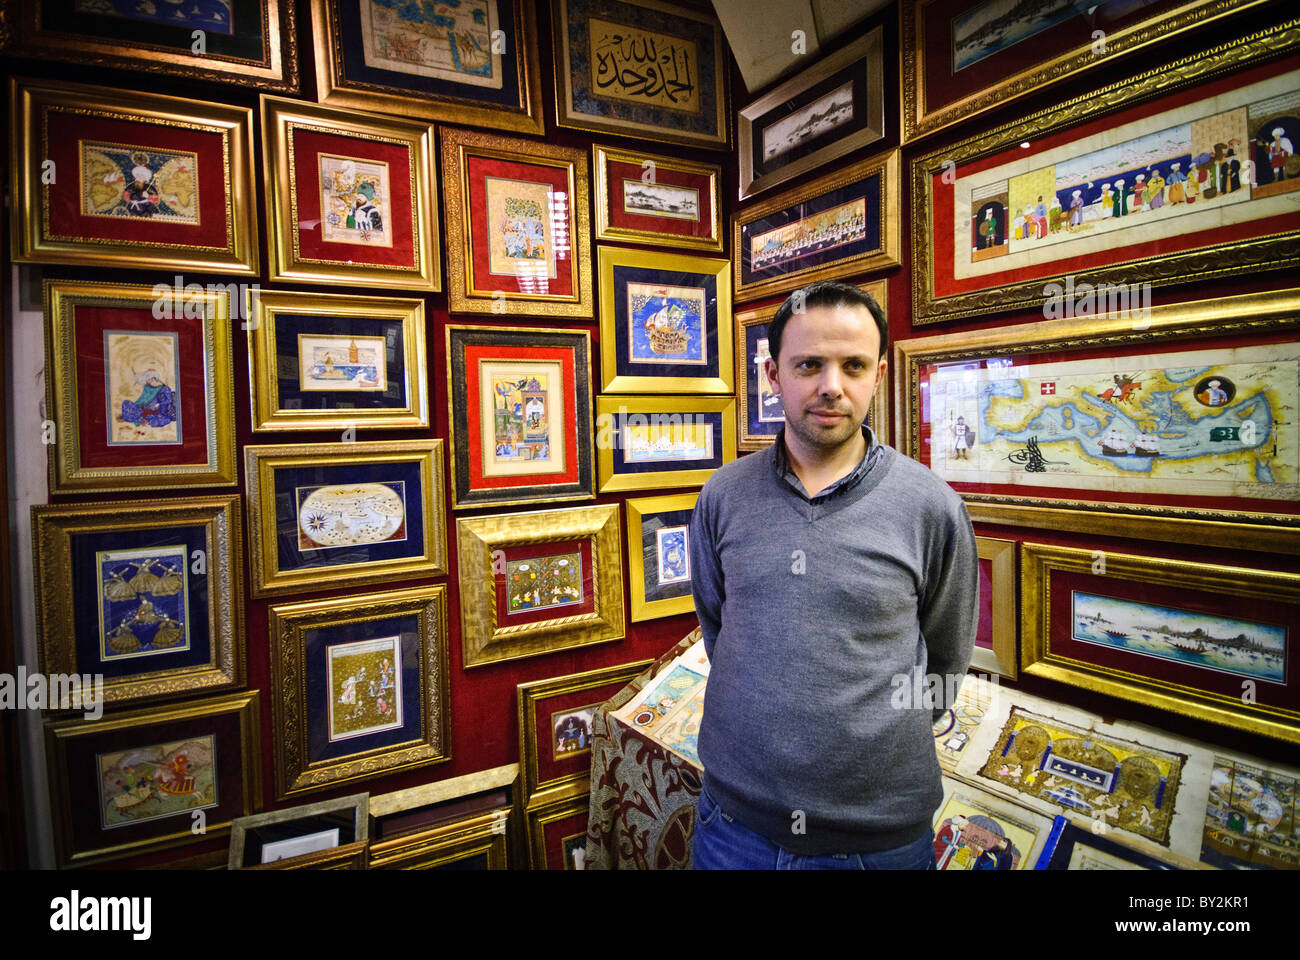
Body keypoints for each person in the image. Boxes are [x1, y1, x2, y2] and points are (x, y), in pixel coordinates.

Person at [688, 281, 979, 870]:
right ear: (773, 375)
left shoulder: (932, 507)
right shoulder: (723, 496)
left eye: (853, 365)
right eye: (808, 365)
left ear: (876, 375)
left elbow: (946, 659)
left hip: (880, 842)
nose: (831, 386)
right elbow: (719, 629)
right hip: (733, 827)